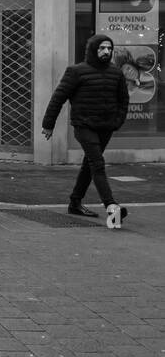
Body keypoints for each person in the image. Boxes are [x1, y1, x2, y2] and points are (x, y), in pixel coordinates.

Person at [42, 33, 131, 227]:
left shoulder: (116, 73)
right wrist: (48, 124)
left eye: (109, 48)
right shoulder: (76, 71)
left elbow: (124, 100)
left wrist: (117, 121)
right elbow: (59, 98)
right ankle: (112, 208)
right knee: (97, 163)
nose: (106, 51)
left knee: (89, 164)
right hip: (84, 126)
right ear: (93, 49)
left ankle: (75, 202)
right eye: (102, 48)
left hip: (106, 127)